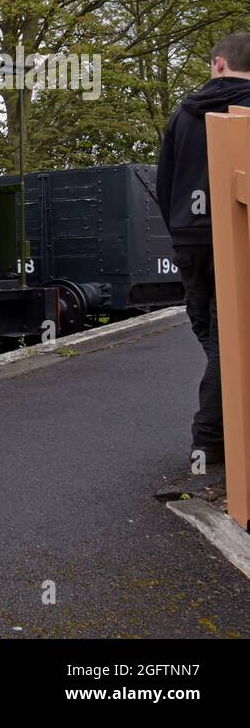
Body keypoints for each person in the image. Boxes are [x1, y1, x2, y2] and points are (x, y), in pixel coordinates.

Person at [157, 32, 250, 468]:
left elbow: (165, 182)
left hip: (191, 239)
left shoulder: (183, 115)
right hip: (239, 235)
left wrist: (180, 229)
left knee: (212, 334)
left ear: (217, 64)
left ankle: (211, 436)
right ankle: (212, 435)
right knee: (225, 340)